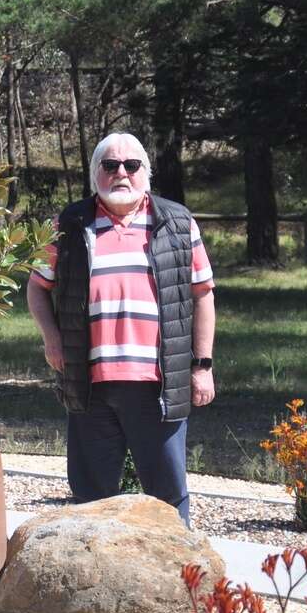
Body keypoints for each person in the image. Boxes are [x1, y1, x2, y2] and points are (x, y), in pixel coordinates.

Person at [26, 132, 216, 526]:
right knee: (90, 499)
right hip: (89, 384)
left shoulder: (178, 223)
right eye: (110, 166)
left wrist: (203, 365)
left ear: (146, 172)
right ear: (96, 173)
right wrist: (52, 340)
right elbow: (37, 287)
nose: (121, 174)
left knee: (167, 499)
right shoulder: (69, 225)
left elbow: (202, 295)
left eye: (131, 165)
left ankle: (181, 581)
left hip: (158, 385)